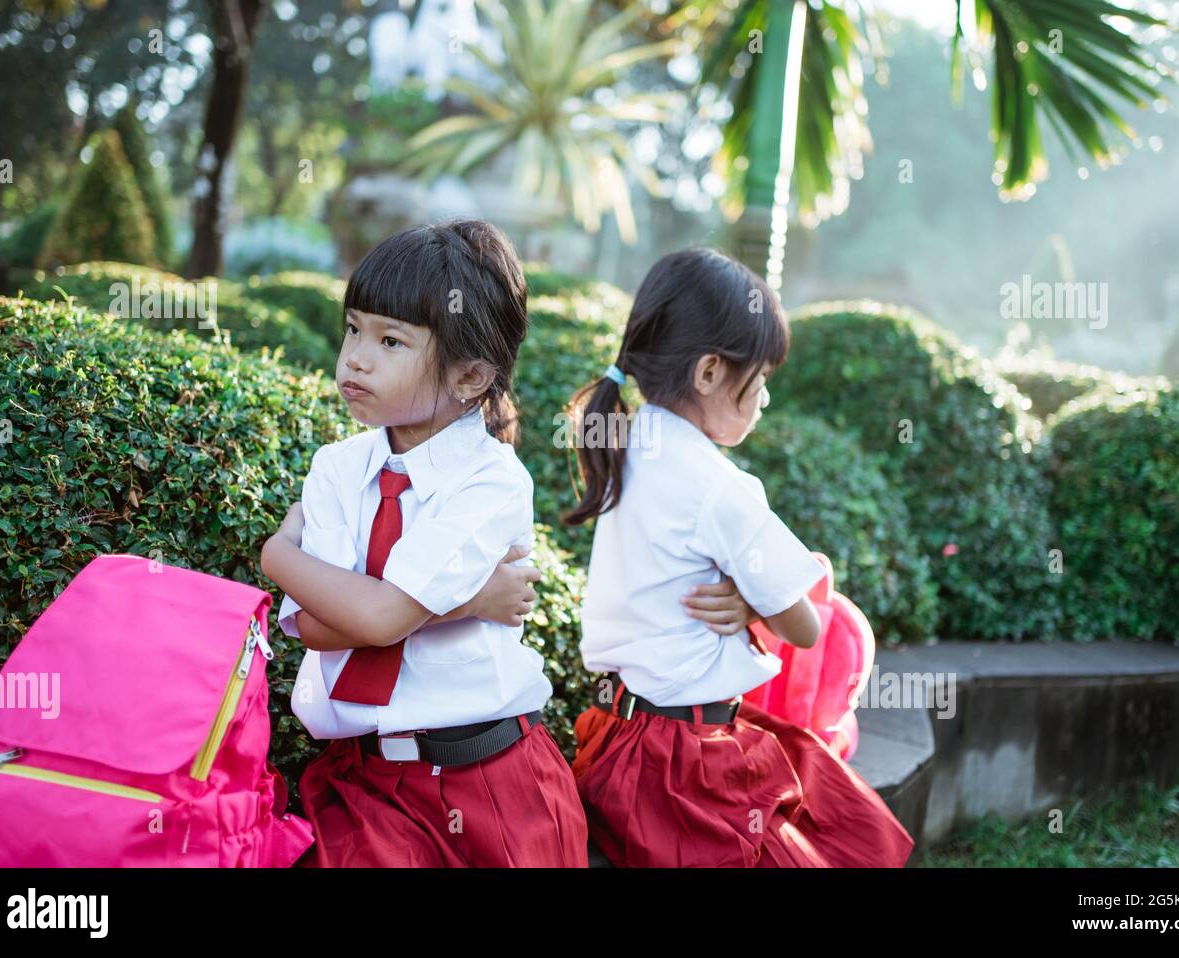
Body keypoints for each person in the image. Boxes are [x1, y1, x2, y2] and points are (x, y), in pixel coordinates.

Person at [563, 247, 915, 868]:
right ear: (708, 373)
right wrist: (755, 600)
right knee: (846, 828)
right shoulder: (720, 487)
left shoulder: (627, 443)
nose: (764, 400)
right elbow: (805, 628)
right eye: (761, 381)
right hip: (683, 770)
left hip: (613, 737)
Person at [261, 219, 588, 867]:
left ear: (470, 378)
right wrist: (467, 601)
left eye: (390, 340)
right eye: (353, 328)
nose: (356, 356)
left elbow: (379, 617)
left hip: (492, 781)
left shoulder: (490, 481)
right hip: (368, 786)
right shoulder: (338, 467)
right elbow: (325, 630)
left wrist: (277, 556)